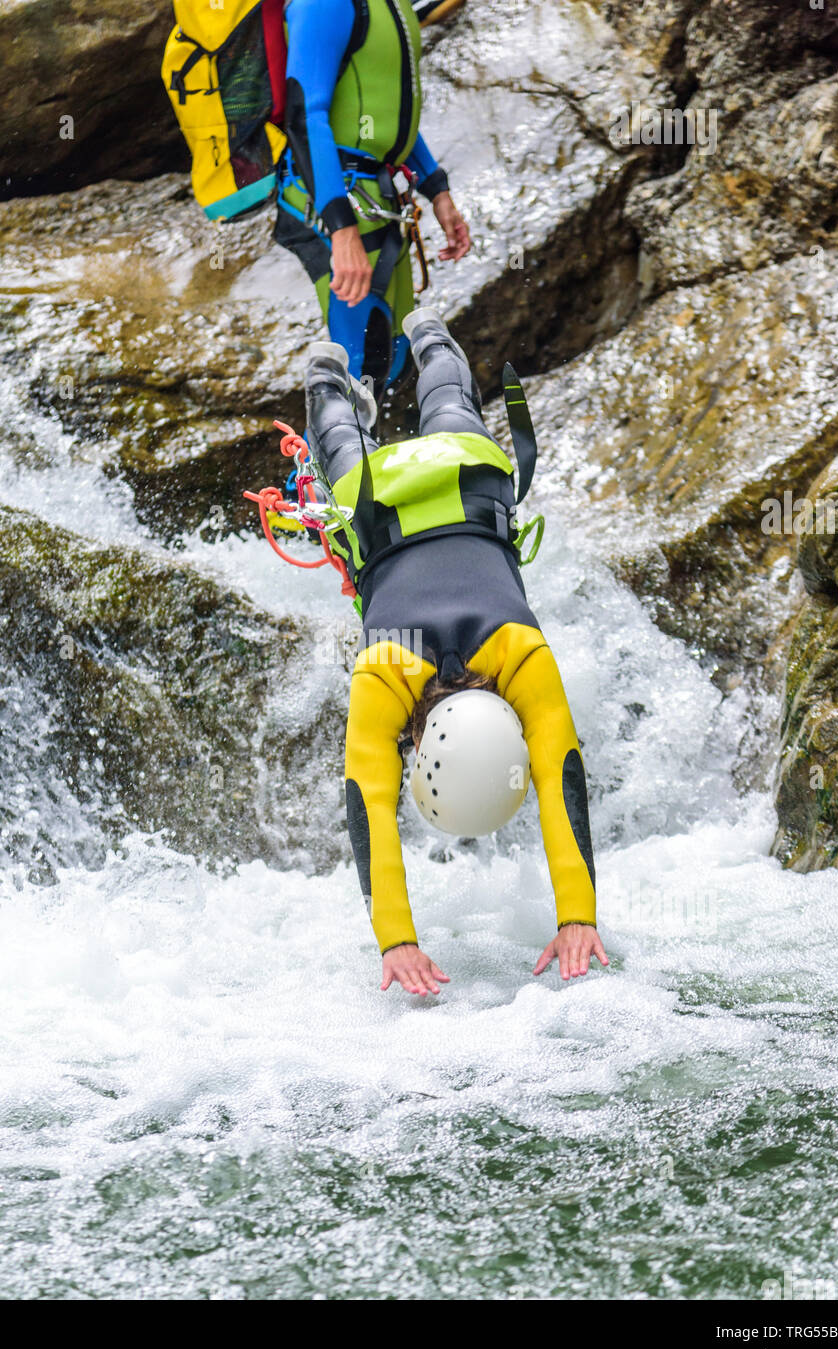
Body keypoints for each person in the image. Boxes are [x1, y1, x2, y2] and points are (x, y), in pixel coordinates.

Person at [302, 308, 609, 995]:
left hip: (471, 480)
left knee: (449, 402)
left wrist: (578, 917)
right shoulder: (389, 664)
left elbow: (561, 782)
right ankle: (324, 370)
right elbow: (369, 805)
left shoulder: (518, 653)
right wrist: (398, 942)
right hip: (377, 505)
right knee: (337, 436)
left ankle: (430, 334)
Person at [276, 0, 471, 397]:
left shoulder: (393, 7)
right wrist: (341, 229)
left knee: (393, 358)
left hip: (379, 199)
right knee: (357, 365)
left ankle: (370, 453)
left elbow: (389, 110)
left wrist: (437, 190)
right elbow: (304, 115)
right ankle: (322, 458)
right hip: (334, 201)